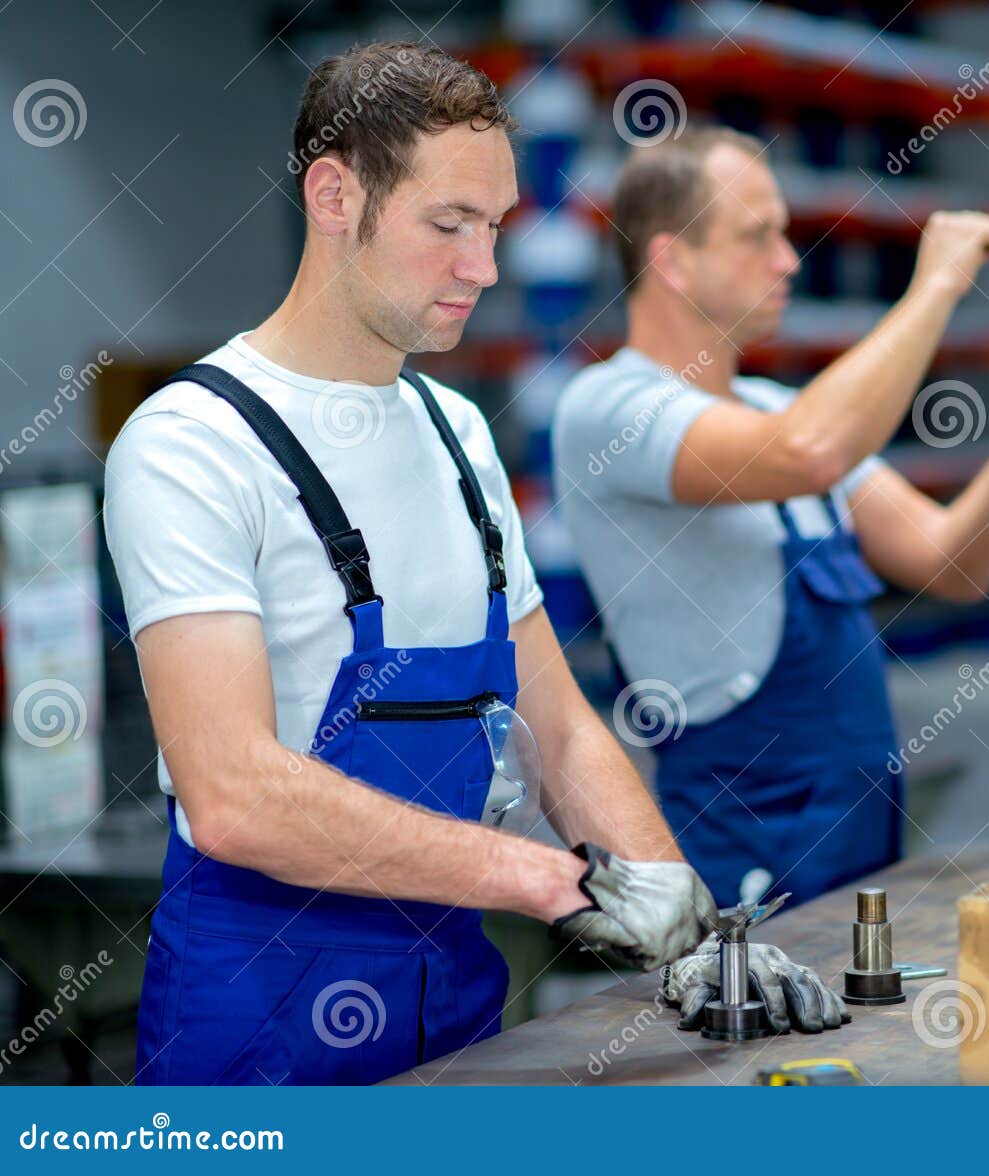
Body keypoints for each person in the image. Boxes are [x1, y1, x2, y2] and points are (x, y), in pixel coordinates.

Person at [105, 46, 839, 1087]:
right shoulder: (192, 444)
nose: (483, 268)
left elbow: (562, 724)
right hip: (259, 1028)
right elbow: (235, 792)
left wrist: (685, 917)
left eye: (493, 227)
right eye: (448, 225)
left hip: (453, 1004)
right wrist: (555, 882)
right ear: (333, 195)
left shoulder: (457, 435)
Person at [554, 127, 989, 908]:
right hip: (743, 851)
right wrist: (934, 291)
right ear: (672, 260)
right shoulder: (608, 410)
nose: (788, 260)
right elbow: (808, 451)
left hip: (858, 846)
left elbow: (956, 564)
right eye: (758, 236)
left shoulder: (776, 409)